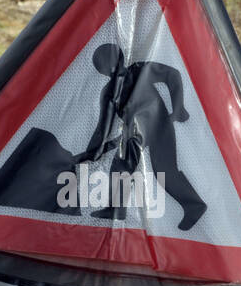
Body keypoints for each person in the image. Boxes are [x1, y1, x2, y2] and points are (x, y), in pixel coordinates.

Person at [77, 43, 207, 231]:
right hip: (134, 133)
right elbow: (102, 130)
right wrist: (93, 152)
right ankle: (116, 209)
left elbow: (172, 75)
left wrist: (178, 107)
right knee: (120, 166)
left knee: (165, 171)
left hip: (158, 125)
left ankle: (194, 205)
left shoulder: (137, 71)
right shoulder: (111, 91)